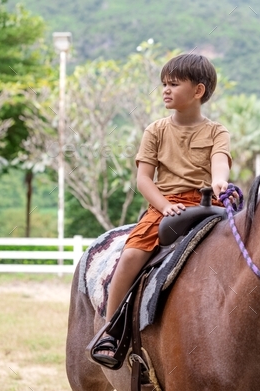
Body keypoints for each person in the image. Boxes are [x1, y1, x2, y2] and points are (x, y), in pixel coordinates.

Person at [91, 53, 233, 368]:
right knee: (130, 255)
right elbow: (143, 180)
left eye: (173, 84)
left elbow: (219, 164)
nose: (165, 90)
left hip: (208, 201)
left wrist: (221, 183)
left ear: (198, 91)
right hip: (165, 205)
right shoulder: (155, 130)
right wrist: (165, 205)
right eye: (164, 84)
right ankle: (111, 331)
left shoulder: (216, 132)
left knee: (250, 246)